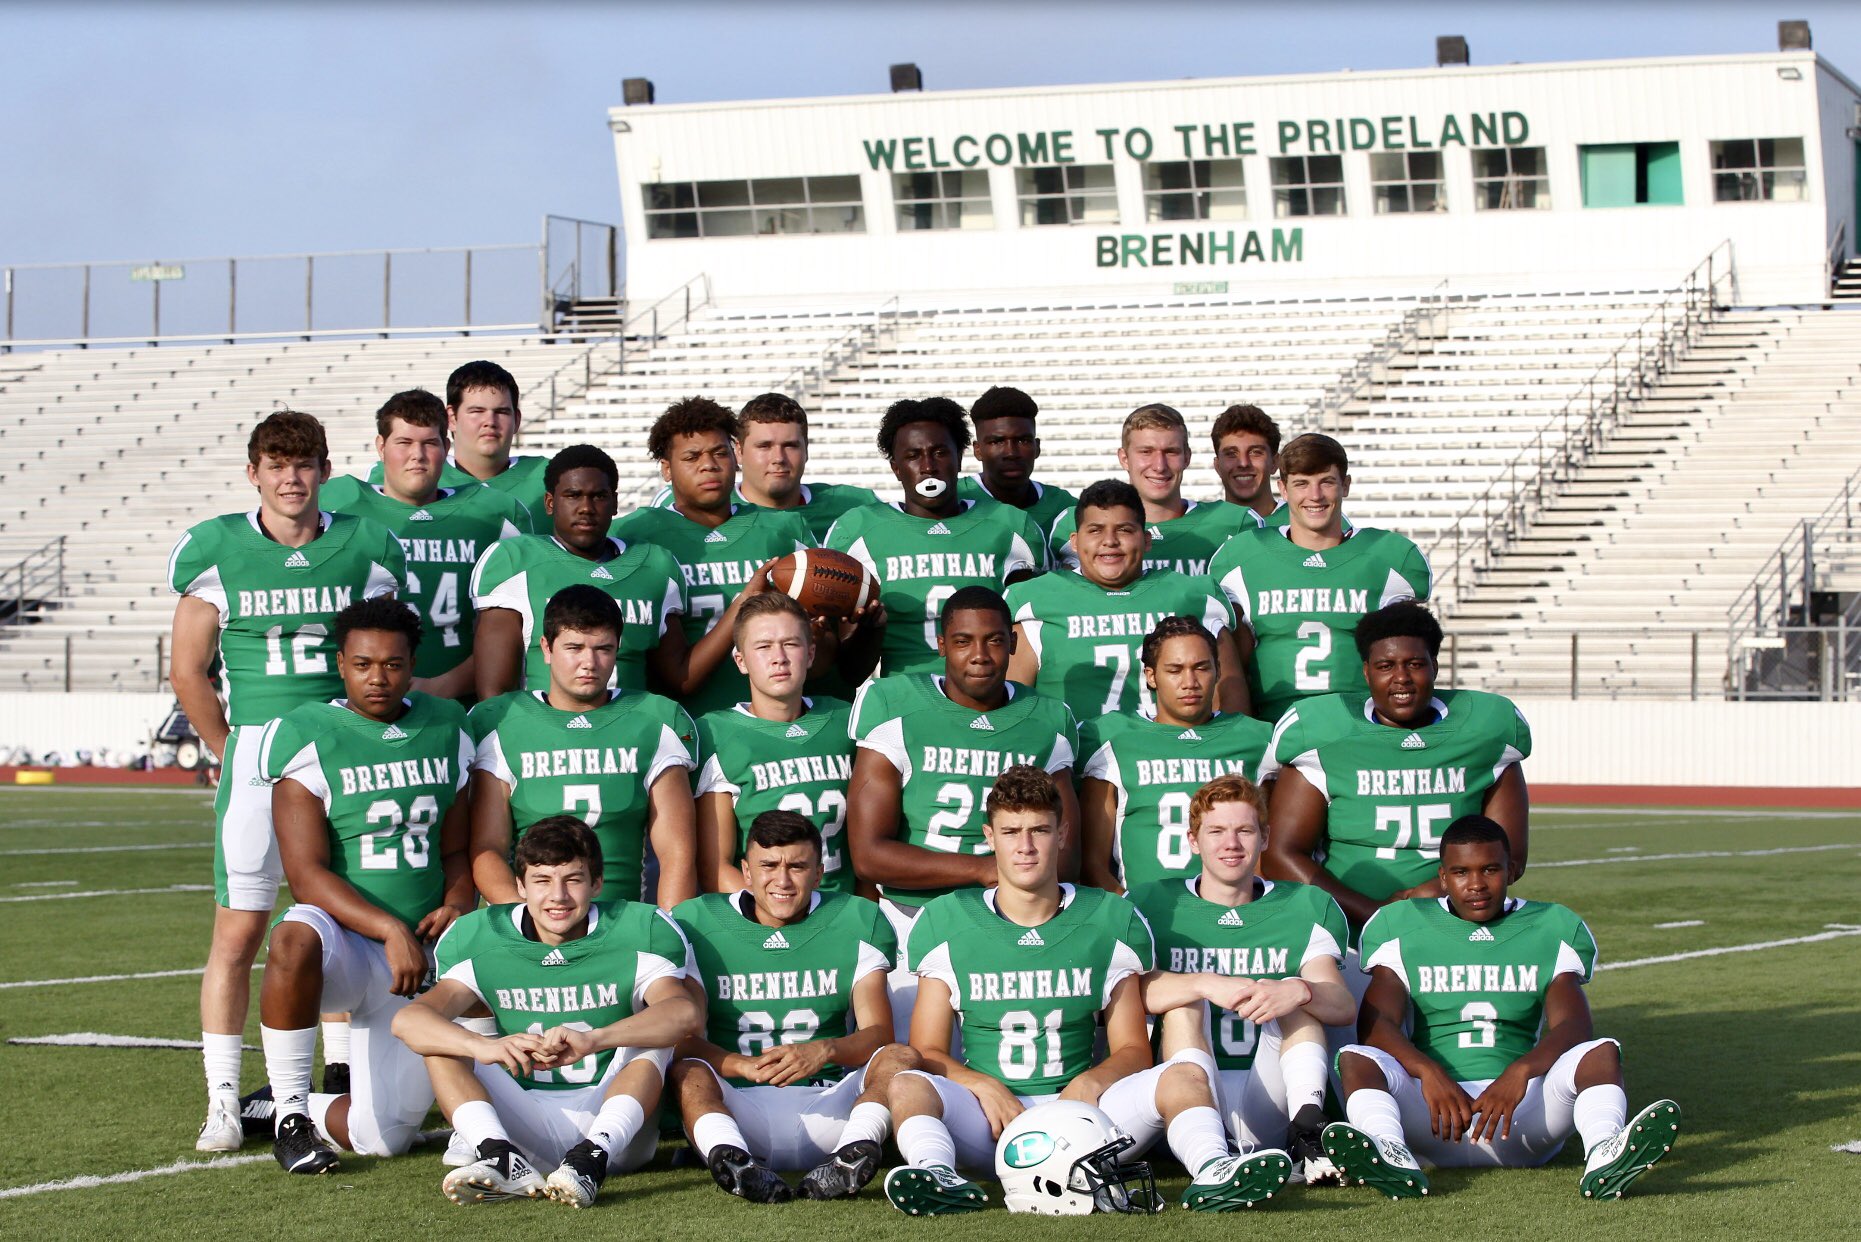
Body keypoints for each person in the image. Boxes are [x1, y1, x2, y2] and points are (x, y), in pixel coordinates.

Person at [167, 410, 407, 1152]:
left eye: (303, 465)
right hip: (262, 752)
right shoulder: (215, 548)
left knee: (336, 915)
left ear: (325, 471)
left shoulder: (364, 544)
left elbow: (389, 648)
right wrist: (228, 747)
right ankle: (222, 1099)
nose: (291, 478)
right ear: (253, 473)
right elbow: (189, 669)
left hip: (344, 754)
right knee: (238, 932)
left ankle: (336, 1079)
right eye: (276, 465)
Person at [1327, 817, 1681, 1200]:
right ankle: (1390, 1151)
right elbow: (1378, 1026)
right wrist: (1429, 1073)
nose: (1476, 884)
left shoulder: (1551, 923)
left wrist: (1521, 1072)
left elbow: (1574, 1025)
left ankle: (1604, 1152)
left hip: (1522, 1115)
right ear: (1443, 878)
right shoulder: (1401, 923)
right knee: (1355, 1058)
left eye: (1490, 869)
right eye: (1461, 872)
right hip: (1434, 1113)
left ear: (1511, 870)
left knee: (1601, 1052)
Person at [878, 766, 1162, 1215]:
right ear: (989, 836)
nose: (1025, 847)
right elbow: (927, 1050)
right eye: (1011, 832)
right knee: (909, 1083)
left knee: (1185, 1075)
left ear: (1063, 833)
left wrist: (1091, 1080)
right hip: (987, 1118)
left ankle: (1212, 1167)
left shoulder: (1109, 917)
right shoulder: (945, 920)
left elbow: (1132, 1049)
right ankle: (938, 1174)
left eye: (1039, 830)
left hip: (1081, 1112)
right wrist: (980, 1083)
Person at [255, 597, 475, 1174]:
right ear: (341, 662)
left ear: (412, 663)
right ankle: (290, 1115)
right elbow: (305, 875)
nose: (378, 678)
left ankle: (272, 1107)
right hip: (348, 945)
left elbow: (456, 849)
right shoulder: (306, 732)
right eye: (362, 664)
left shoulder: (446, 724)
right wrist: (387, 927)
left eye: (393, 665)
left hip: (414, 961)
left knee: (382, 1139)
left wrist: (456, 901)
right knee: (293, 936)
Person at [394, 816, 702, 1207]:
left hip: (615, 1124)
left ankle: (591, 1159)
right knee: (442, 1043)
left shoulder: (637, 927)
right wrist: (485, 1046)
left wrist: (595, 1039)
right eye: (541, 881)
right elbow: (408, 1021)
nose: (558, 896)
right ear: (520, 886)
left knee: (653, 1034)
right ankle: (500, 1156)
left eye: (573, 879)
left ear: (597, 882)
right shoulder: (480, 937)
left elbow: (684, 1014)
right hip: (523, 1120)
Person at [1261, 601, 1531, 1017]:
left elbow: (1509, 857)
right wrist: (1377, 915)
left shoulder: (1485, 729)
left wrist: (1438, 893)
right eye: (1386, 666)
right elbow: (1279, 855)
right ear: (1365, 670)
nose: (1401, 679)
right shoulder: (1324, 732)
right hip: (1350, 937)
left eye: (1415, 664)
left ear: (1435, 666)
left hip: (1458, 929)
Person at [846, 587, 1079, 1036]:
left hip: (1012, 920)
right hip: (911, 915)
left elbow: (1066, 853)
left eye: (993, 640)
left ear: (1013, 643)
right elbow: (869, 855)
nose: (979, 655)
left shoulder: (1048, 717)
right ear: (940, 644)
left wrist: (1003, 881)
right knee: (909, 1065)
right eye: (963, 641)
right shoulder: (893, 702)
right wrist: (984, 870)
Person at [669, 811, 915, 1203]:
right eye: (769, 866)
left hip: (830, 1105)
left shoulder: (857, 918)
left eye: (797, 867)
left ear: (819, 874)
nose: (782, 881)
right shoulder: (697, 922)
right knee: (687, 1072)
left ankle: (852, 1154)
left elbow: (879, 1035)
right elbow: (684, 1041)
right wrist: (739, 1064)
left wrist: (826, 1049)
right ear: (746, 871)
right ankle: (729, 1157)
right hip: (740, 1105)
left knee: (900, 1056)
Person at [1127, 775, 1354, 1186]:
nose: (1231, 844)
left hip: (1270, 1096)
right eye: (1216, 831)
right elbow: (1127, 996)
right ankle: (1211, 1156)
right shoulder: (1152, 903)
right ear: (1193, 840)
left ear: (1265, 837)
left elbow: (1340, 1003)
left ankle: (1307, 1126)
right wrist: (1202, 982)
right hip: (1187, 1094)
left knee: (1296, 994)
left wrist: (1298, 989)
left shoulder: (1305, 903)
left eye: (1244, 830)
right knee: (1183, 1002)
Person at [611, 397, 845, 718]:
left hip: (778, 720)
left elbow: (823, 661)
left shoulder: (783, 528)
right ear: (667, 468)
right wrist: (745, 601)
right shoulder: (636, 534)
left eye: (719, 453)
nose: (709, 465)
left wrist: (826, 630)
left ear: (735, 456)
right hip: (689, 721)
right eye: (692, 456)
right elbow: (679, 679)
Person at [469, 586, 698, 908]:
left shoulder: (655, 719)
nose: (589, 662)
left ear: (618, 648)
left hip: (624, 919)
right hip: (532, 915)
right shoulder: (500, 721)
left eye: (603, 648)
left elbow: (677, 852)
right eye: (574, 647)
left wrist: (668, 929)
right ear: (546, 648)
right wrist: (528, 922)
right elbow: (486, 847)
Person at [323, 387, 531, 701]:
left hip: (466, 702)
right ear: (381, 447)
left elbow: (517, 629)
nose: (417, 456)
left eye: (430, 443)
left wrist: (447, 683)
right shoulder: (339, 507)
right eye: (404, 442)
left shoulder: (495, 514)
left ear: (446, 446)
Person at [1209, 432, 1427, 722]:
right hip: (1274, 724)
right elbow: (1231, 665)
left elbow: (1413, 655)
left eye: (1326, 481)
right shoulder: (1242, 557)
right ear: (1283, 490)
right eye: (1301, 484)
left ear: (1345, 485)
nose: (1315, 496)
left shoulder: (1389, 557)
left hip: (1361, 725)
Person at [825, 398, 1045, 677]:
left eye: (939, 452)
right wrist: (868, 631)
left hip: (990, 692)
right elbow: (846, 668)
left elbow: (1034, 631)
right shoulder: (856, 530)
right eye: (913, 455)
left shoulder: (1011, 526)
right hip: (903, 693)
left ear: (959, 458)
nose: (928, 466)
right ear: (896, 468)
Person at [1006, 479, 1245, 718]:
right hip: (1075, 752)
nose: (1109, 541)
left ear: (1146, 540)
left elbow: (1229, 709)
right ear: (1075, 542)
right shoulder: (1035, 600)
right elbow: (1015, 709)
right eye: (1095, 530)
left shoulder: (1194, 596)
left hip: (1164, 750)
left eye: (1124, 529)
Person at [470, 444, 686, 700]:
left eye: (599, 496)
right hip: (544, 730)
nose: (586, 507)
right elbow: (494, 693)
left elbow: (676, 679)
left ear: (615, 503)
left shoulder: (655, 566)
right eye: (573, 495)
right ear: (550, 503)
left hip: (629, 729)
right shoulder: (515, 561)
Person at [1078, 617, 1273, 894]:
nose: (1189, 682)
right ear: (1150, 676)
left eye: (1201, 668)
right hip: (1147, 913)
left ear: (1217, 670)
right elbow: (1092, 865)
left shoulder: (1258, 739)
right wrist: (1132, 917)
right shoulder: (1111, 740)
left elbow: (1267, 849)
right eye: (1175, 670)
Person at [693, 592, 856, 894]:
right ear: (740, 661)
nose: (778, 657)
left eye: (790, 644)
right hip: (764, 913)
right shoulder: (716, 733)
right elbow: (714, 866)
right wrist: (774, 909)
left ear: (809, 654)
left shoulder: (847, 720)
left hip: (842, 908)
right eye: (764, 646)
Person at [1047, 404, 1253, 576]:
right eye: (1146, 452)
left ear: (1187, 457)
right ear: (1124, 458)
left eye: (1171, 452)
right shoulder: (1072, 523)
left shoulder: (1235, 523)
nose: (1159, 465)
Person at [648, 392, 879, 543]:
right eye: (764, 446)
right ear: (738, 450)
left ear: (806, 449)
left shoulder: (856, 506)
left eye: (790, 446)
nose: (778, 458)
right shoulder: (688, 505)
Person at [369, 360, 550, 530]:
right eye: (477, 411)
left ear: (517, 419)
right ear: (452, 418)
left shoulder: (551, 479)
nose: (490, 421)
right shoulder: (398, 473)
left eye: (501, 412)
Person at [956, 386, 1075, 542]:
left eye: (1022, 440)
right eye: (997, 442)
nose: (1011, 453)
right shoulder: (954, 499)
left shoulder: (1065, 507)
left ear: (1037, 447)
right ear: (978, 450)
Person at [1209, 403, 1279, 524]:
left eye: (1255, 452)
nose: (1243, 463)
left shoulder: (1302, 525)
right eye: (1231, 453)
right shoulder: (1198, 535)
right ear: (1217, 466)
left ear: (1274, 462)